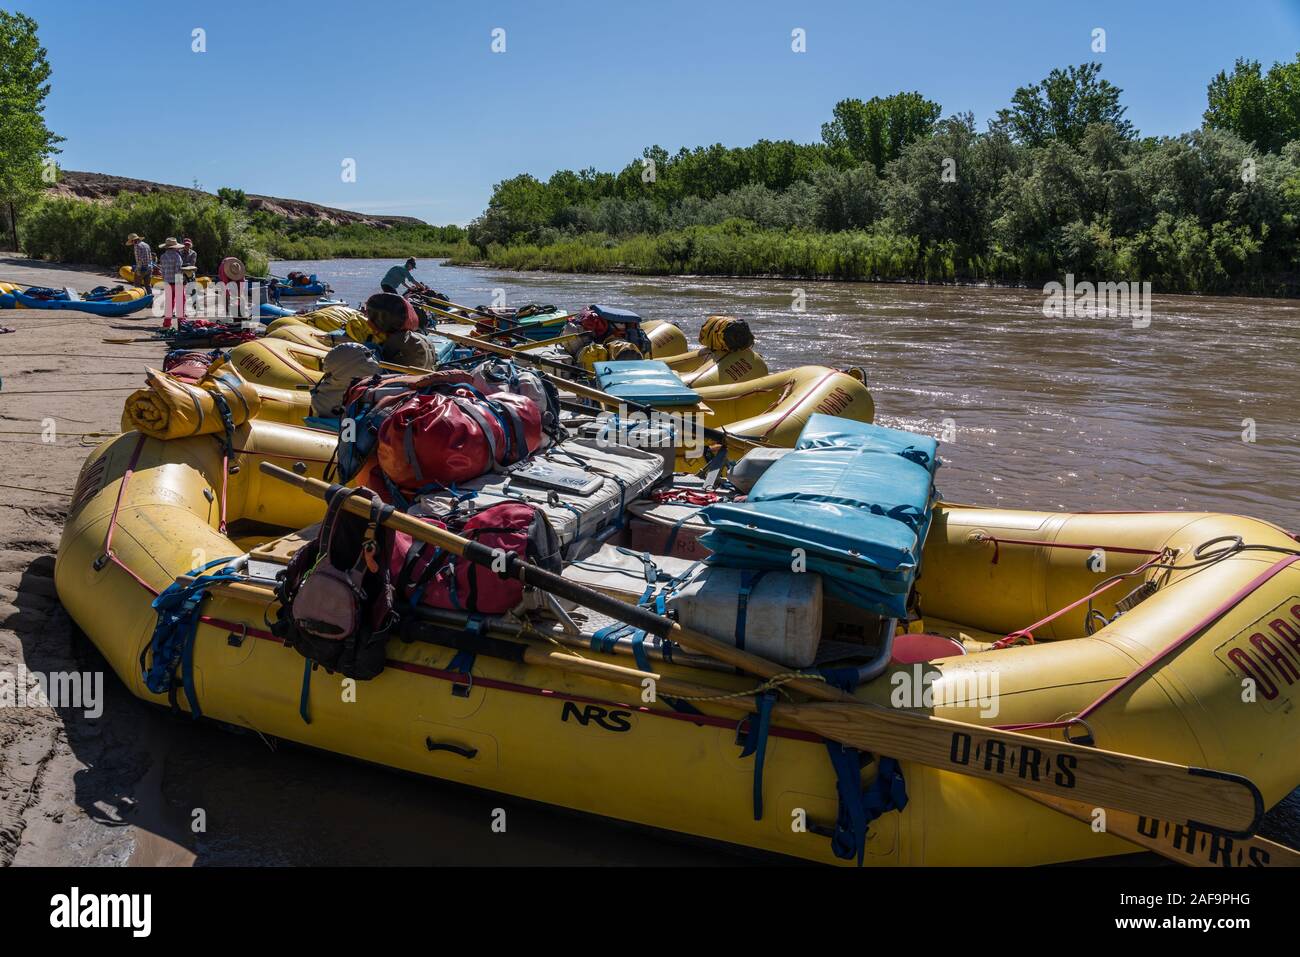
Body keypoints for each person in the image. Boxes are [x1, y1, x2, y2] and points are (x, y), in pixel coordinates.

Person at [158, 237, 186, 328]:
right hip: (176, 282)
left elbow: (162, 271)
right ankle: (181, 323)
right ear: (175, 247)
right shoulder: (177, 256)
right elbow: (178, 270)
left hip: (167, 282)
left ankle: (166, 324)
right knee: (180, 303)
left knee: (169, 304)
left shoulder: (163, 256)